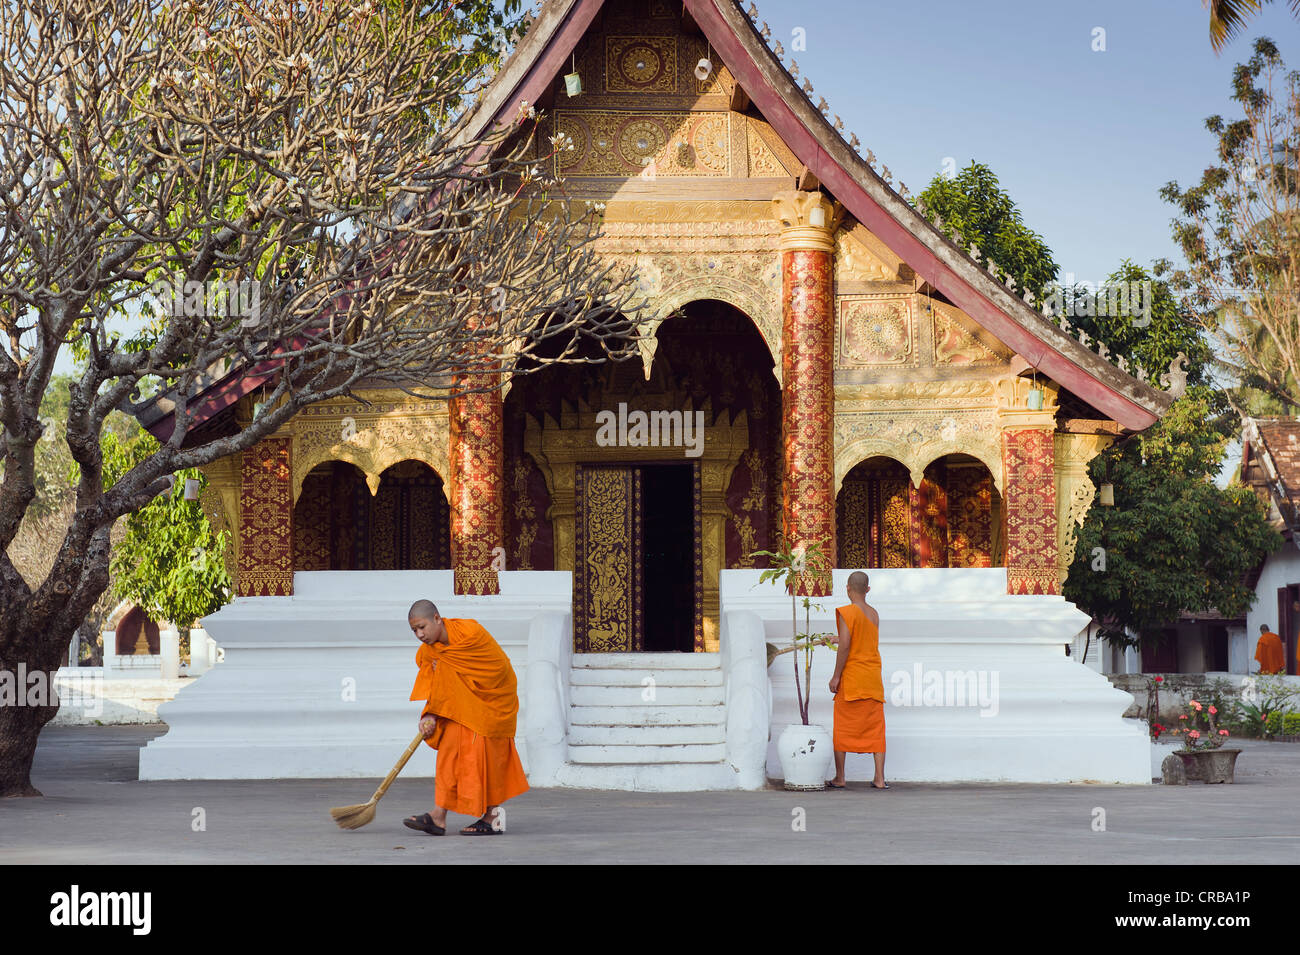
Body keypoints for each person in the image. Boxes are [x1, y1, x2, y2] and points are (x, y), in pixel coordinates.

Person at [403, 600, 529, 835]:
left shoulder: (471, 633)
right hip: (458, 709)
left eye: (422, 627)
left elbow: (497, 669)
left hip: (491, 702)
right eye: (414, 631)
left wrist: (469, 696)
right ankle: (437, 817)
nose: (420, 635)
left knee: (486, 758)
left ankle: (492, 817)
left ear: (437, 619)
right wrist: (429, 713)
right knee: (449, 757)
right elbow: (437, 684)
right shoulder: (430, 652)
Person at [827, 571, 887, 790]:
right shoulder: (874, 613)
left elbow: (845, 646)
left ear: (848, 588)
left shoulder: (848, 612)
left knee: (842, 727)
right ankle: (879, 778)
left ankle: (840, 777)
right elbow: (860, 639)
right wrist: (837, 638)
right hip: (871, 678)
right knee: (876, 729)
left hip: (852, 679)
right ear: (868, 589)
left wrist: (836, 676)